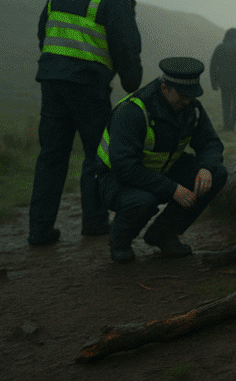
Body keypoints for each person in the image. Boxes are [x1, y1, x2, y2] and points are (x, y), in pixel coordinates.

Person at [28, 0, 143, 246]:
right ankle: (94, 221)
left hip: (52, 79)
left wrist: (58, 65)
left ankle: (39, 230)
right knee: (96, 153)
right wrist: (132, 83)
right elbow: (126, 45)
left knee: (51, 155)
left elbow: (44, 31)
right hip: (88, 83)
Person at [97, 57, 227, 264]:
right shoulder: (132, 111)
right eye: (183, 95)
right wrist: (173, 188)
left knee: (217, 174)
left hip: (160, 170)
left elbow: (210, 142)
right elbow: (125, 168)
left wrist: (206, 168)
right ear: (165, 87)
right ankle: (120, 241)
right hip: (116, 180)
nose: (188, 100)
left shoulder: (192, 108)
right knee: (143, 201)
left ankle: (163, 234)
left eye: (192, 95)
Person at [209, 27, 236, 131]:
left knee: (226, 105)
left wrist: (214, 83)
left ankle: (226, 126)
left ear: (226, 36)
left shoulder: (220, 48)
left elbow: (213, 67)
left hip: (224, 81)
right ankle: (231, 125)